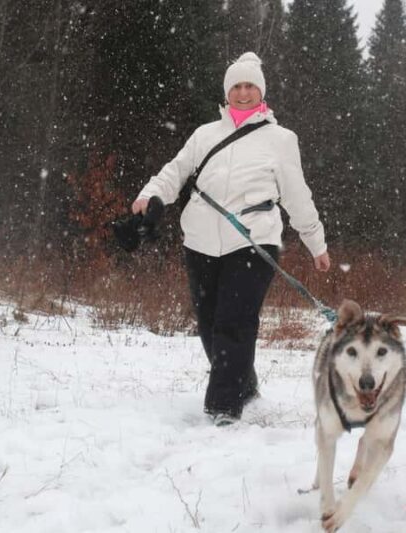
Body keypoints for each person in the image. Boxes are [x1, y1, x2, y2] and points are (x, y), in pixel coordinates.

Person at [132, 52, 331, 426]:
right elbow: (174, 172)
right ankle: (244, 383)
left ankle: (224, 406)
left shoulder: (281, 140)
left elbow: (297, 196)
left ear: (261, 92)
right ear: (227, 92)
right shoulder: (205, 134)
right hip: (200, 241)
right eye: (236, 86)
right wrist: (149, 195)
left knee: (234, 321)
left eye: (250, 86)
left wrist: (316, 243)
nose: (243, 92)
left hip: (253, 242)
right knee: (209, 324)